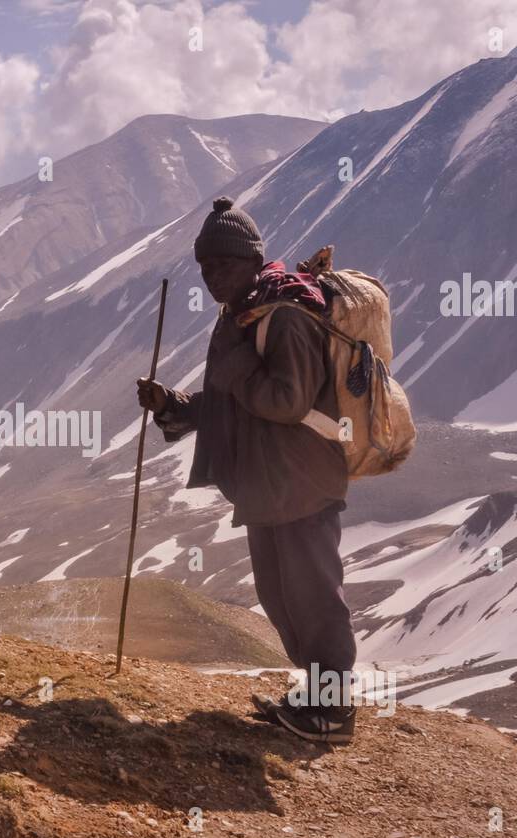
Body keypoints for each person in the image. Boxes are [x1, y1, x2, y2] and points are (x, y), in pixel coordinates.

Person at [135, 196, 357, 743]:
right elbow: (232, 402)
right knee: (280, 596)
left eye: (224, 265)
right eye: (206, 267)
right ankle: (312, 696)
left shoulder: (284, 314)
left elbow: (286, 400)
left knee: (313, 596)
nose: (213, 277)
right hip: (269, 484)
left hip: (302, 480)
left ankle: (334, 714)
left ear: (254, 259)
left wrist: (233, 363)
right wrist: (176, 406)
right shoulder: (242, 314)